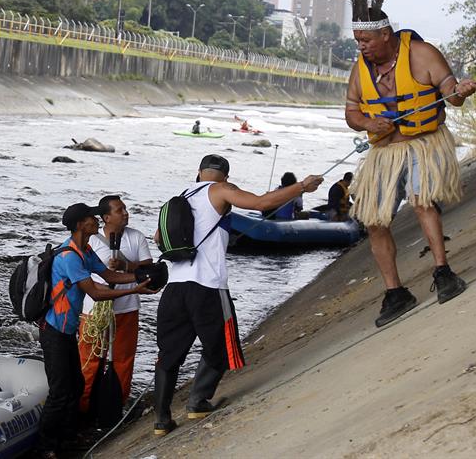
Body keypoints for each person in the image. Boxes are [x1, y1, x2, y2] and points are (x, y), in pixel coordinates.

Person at [343, 0, 476, 328]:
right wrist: (370, 122)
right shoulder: (360, 69)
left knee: (422, 202)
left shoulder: (422, 53)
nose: (362, 47)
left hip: (424, 143)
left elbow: (451, 94)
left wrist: (460, 90)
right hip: (384, 152)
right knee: (374, 221)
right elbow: (352, 112)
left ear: (386, 34)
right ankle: (395, 292)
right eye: (358, 41)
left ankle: (443, 272)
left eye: (366, 41)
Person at [152, 155, 322, 435]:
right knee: (221, 347)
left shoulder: (177, 198)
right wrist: (301, 186)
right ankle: (197, 402)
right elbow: (262, 203)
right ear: (226, 176)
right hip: (207, 286)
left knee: (169, 354)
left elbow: (159, 237)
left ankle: (161, 421)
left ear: (198, 173)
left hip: (175, 288)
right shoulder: (220, 190)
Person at [36, 203, 156, 459]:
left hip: (67, 331)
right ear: (81, 224)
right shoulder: (69, 256)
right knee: (60, 392)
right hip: (53, 332)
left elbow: (108, 275)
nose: (96, 220)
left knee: (76, 385)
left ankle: (68, 437)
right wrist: (134, 290)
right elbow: (95, 292)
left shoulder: (85, 250)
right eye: (91, 217)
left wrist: (139, 279)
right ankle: (46, 447)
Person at [78, 196, 153, 417]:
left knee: (123, 359)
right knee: (89, 361)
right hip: (94, 310)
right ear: (106, 217)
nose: (126, 213)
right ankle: (82, 411)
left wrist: (125, 265)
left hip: (127, 308)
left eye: (125, 209)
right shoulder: (91, 241)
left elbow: (148, 269)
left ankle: (114, 409)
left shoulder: (136, 237)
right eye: (120, 210)